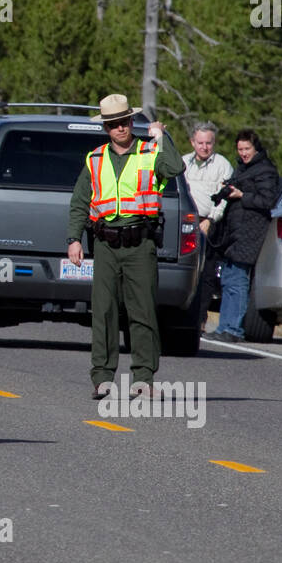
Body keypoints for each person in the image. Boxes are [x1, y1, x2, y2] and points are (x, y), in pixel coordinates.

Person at [66, 93, 184, 399]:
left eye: (125, 122)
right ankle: (102, 376)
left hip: (140, 244)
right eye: (113, 124)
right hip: (105, 245)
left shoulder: (149, 152)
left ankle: (143, 377)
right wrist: (74, 239)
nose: (120, 128)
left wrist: (161, 135)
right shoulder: (95, 160)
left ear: (132, 122)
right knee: (103, 312)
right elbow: (80, 202)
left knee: (142, 310)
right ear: (106, 128)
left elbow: (175, 168)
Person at [207, 129, 280, 342]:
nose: (243, 153)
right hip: (235, 231)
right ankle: (224, 327)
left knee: (238, 280)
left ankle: (234, 330)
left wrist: (242, 195)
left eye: (247, 148)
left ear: (255, 147)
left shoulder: (265, 170)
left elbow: (268, 202)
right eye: (240, 149)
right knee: (229, 278)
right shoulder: (242, 168)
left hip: (251, 232)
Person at [182, 121, 234, 326]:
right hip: (186, 222)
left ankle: (200, 318)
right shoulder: (182, 162)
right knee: (185, 270)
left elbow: (225, 197)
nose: (204, 147)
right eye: (200, 142)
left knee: (206, 274)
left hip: (209, 224)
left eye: (209, 143)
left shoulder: (223, 165)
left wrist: (211, 219)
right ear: (192, 142)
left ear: (214, 143)